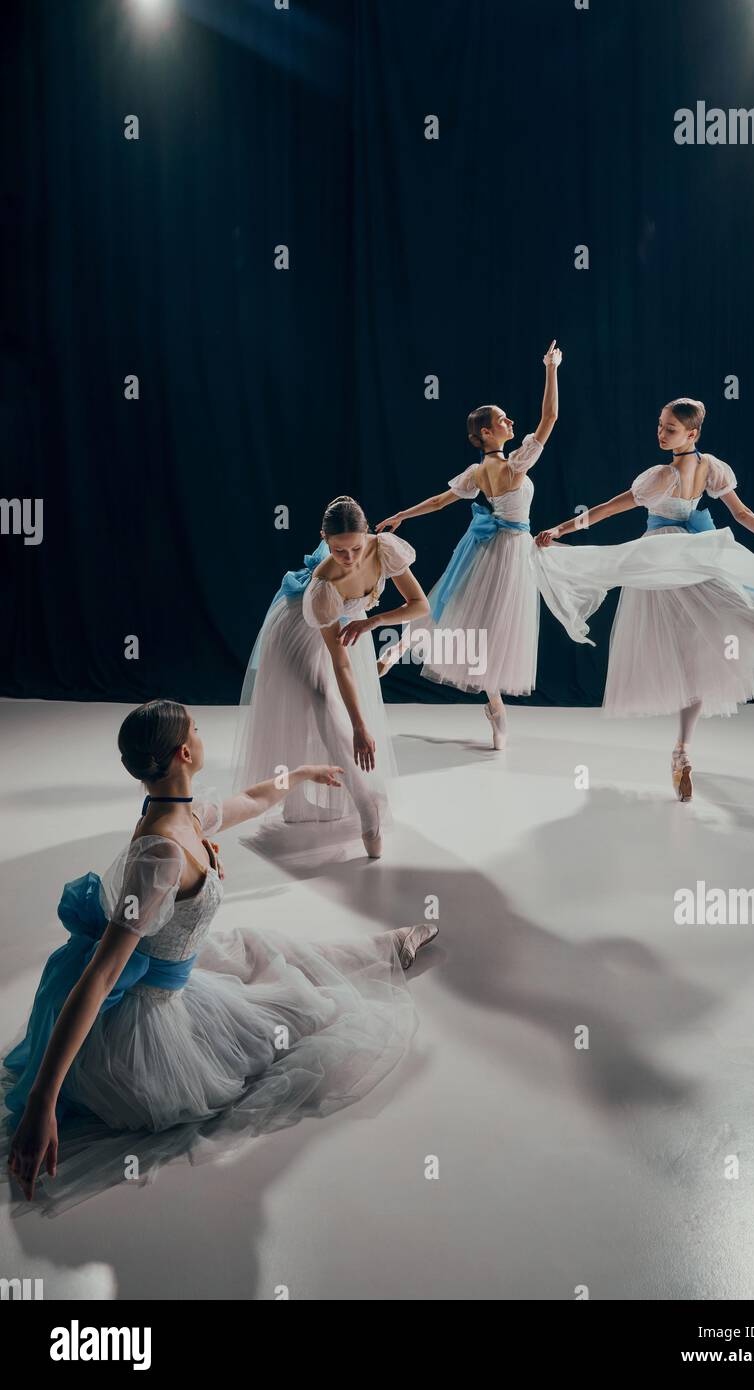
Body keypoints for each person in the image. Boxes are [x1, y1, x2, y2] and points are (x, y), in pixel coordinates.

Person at [2, 699, 437, 1213]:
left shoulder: (171, 812)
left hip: (178, 971)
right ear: (185, 751)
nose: (202, 734)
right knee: (297, 1010)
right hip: (152, 1018)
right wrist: (42, 1103)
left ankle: (384, 949)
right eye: (197, 728)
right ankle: (383, 954)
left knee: (266, 952)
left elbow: (247, 802)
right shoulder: (161, 855)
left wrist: (299, 774)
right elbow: (100, 977)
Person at [533, 398, 754, 799]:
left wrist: (561, 530)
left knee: (693, 659)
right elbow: (741, 515)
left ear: (692, 433)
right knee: (739, 609)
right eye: (661, 425)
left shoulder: (659, 476)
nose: (661, 432)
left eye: (669, 428)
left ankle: (683, 753)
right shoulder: (710, 467)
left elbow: (606, 510)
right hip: (702, 551)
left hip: (665, 562)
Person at [376, 341, 562, 750]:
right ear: (485, 431)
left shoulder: (479, 472)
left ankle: (404, 647)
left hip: (487, 549)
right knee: (491, 627)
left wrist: (403, 515)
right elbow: (549, 416)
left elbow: (441, 501)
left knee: (456, 607)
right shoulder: (515, 465)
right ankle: (495, 708)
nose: (510, 421)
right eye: (502, 419)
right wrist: (551, 368)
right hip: (509, 551)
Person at [233, 496, 429, 857]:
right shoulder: (323, 584)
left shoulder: (384, 549)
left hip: (350, 627)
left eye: (355, 547)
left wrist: (372, 621)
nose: (350, 558)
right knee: (323, 702)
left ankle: (303, 807)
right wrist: (359, 726)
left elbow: (420, 605)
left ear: (368, 534)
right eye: (339, 551)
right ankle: (364, 803)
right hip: (296, 633)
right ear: (324, 539)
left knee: (328, 707)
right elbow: (340, 663)